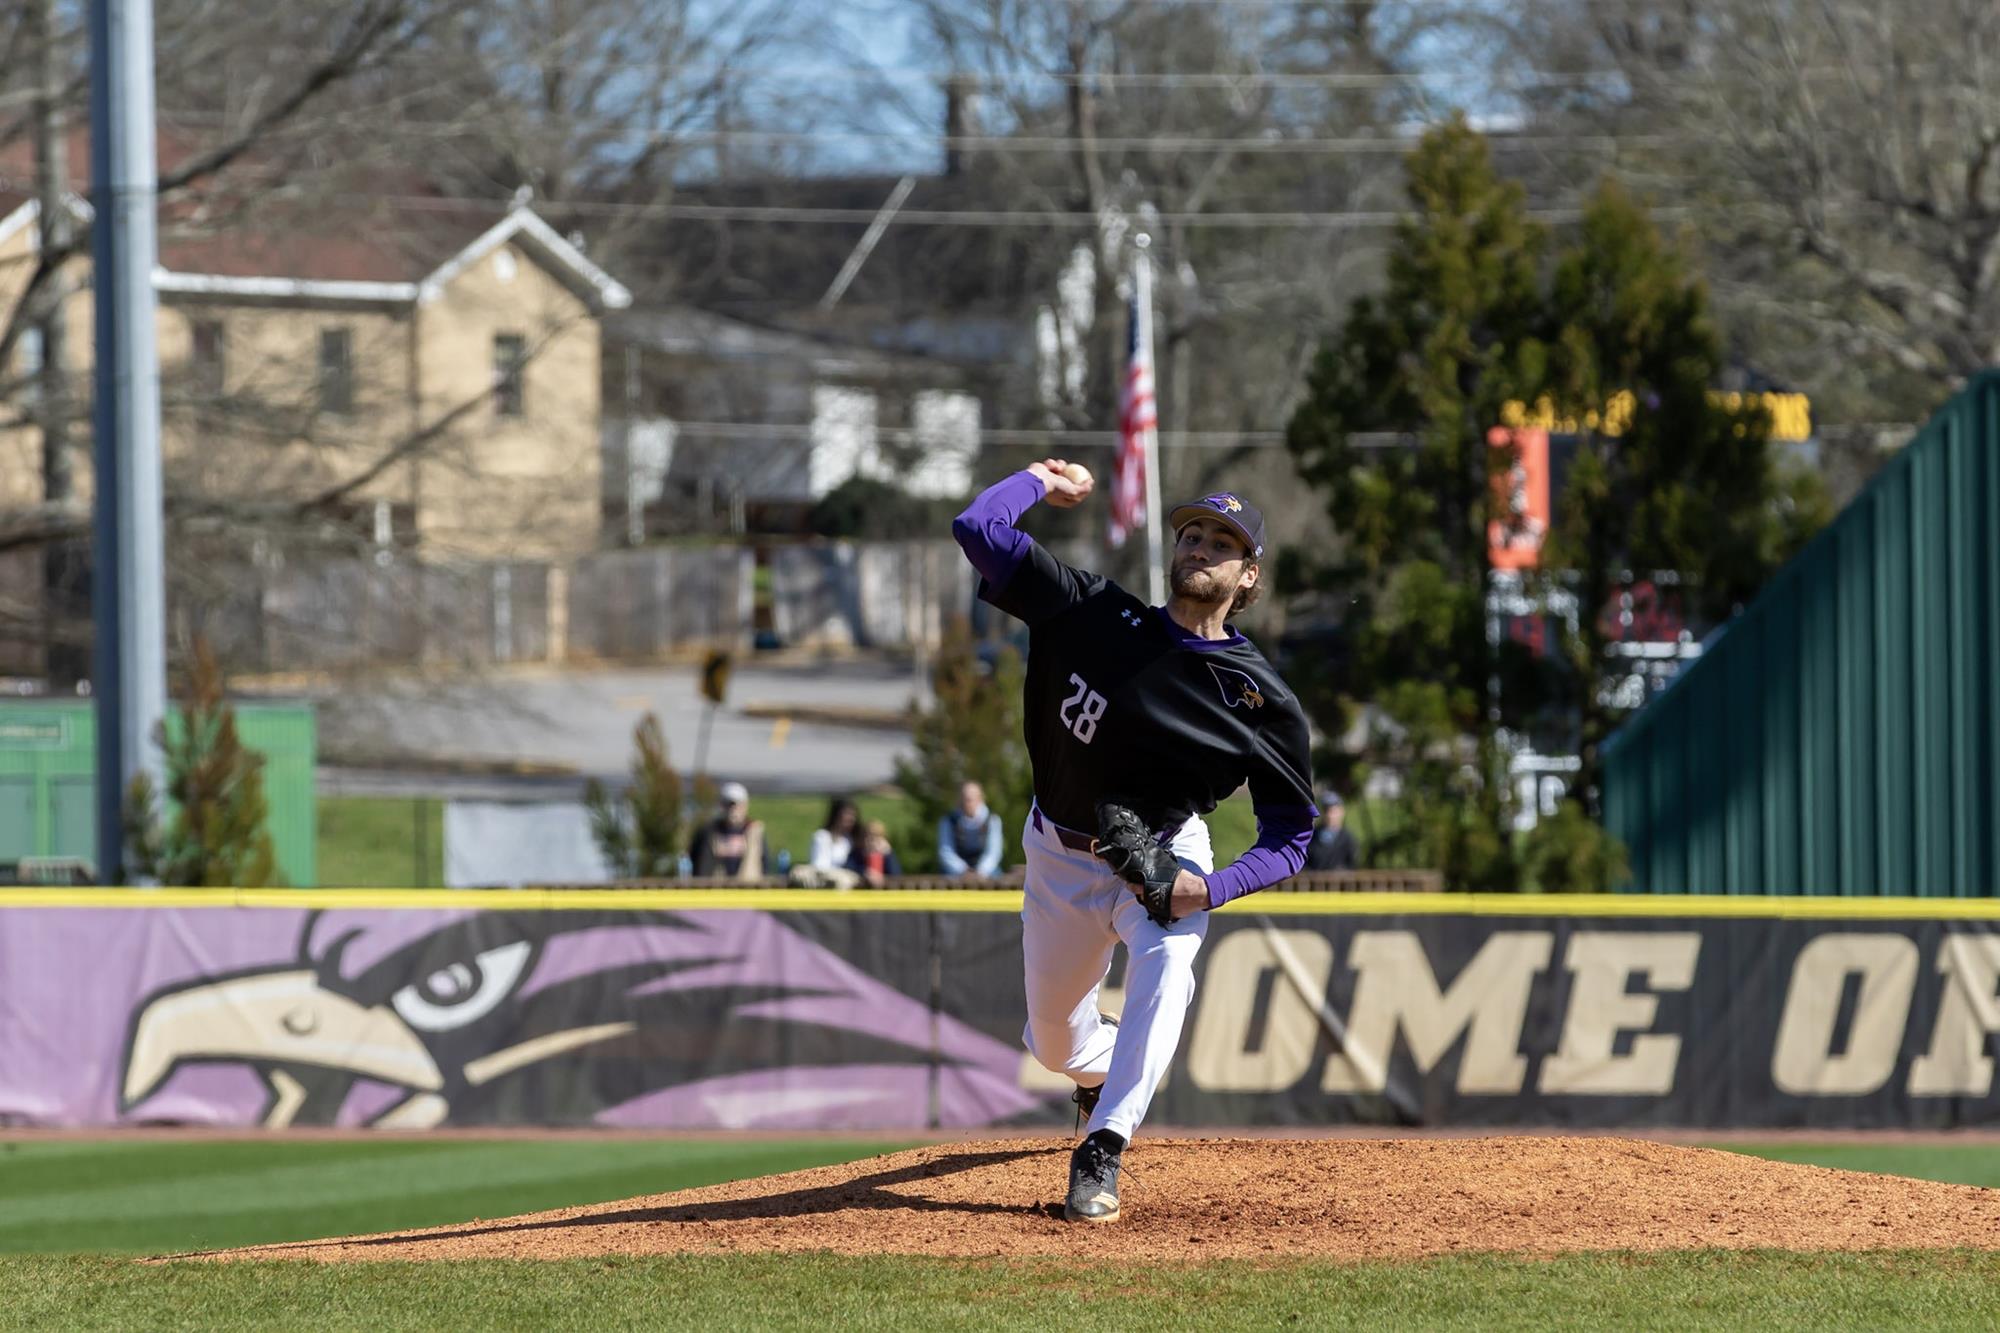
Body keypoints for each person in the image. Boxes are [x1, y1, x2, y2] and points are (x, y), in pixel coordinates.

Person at [951, 460, 1316, 1225]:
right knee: (1054, 1044)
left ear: (1249, 576)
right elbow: (979, 531)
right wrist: (1037, 481)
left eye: (1224, 540)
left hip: (1163, 852)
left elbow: (1291, 833)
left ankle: (1103, 1145)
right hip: (1057, 851)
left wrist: (1206, 887)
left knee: (1172, 957)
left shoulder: (1259, 699)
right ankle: (1095, 1074)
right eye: (1193, 532)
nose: (1202, 546)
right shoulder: (1091, 612)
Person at [688, 781, 765, 881]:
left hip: (747, 891)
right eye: (728, 805)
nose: (733, 810)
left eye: (737, 805)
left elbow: (764, 864)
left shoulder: (754, 833)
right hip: (715, 891)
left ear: (745, 806)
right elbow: (698, 861)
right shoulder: (708, 832)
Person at [937, 781, 1004, 877]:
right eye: (964, 799)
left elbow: (994, 852)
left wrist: (981, 871)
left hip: (986, 870)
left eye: (970, 799)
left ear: (980, 799)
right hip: (956, 871)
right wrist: (963, 871)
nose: (967, 803)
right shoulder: (948, 821)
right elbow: (946, 851)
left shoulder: (993, 820)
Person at [1304, 791, 1359, 872]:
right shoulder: (1311, 836)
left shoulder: (1348, 838)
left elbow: (1352, 865)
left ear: (1342, 812)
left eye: (1333, 811)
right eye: (1326, 811)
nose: (1330, 815)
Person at [810, 799, 861, 871]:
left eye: (853, 815)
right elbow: (819, 865)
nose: (851, 819)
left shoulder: (849, 840)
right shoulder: (822, 836)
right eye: (847, 814)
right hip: (827, 877)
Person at [847, 819, 902, 886]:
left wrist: (889, 854)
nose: (871, 842)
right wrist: (865, 871)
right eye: (867, 837)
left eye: (875, 838)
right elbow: (848, 867)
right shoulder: (856, 854)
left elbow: (896, 873)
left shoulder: (886, 855)